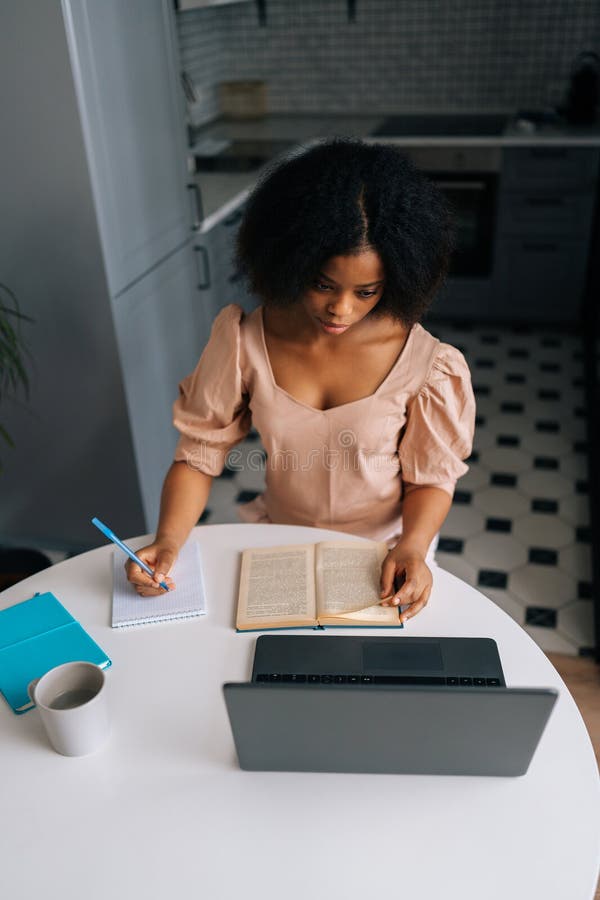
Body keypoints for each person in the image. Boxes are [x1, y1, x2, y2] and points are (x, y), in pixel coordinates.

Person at [126, 138, 476, 624]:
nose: (341, 309)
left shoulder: (426, 365)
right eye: (323, 284)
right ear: (291, 260)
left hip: (389, 553)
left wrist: (415, 548)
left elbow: (431, 480)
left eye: (366, 292)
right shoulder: (246, 339)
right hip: (282, 544)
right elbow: (198, 456)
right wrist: (168, 540)